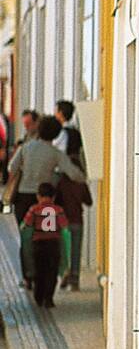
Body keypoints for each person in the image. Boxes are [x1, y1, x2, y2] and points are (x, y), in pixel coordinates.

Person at [7, 116, 85, 287]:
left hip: (23, 198)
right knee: (46, 237)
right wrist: (83, 176)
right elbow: (73, 174)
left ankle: (28, 277)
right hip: (45, 199)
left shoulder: (25, 148)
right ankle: (48, 273)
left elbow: (11, 167)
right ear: (56, 134)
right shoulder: (55, 154)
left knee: (25, 237)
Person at [21, 183, 69, 309]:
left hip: (38, 245)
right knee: (51, 272)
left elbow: (26, 224)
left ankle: (38, 297)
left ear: (38, 196)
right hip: (53, 244)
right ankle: (49, 299)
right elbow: (64, 226)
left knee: (39, 272)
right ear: (53, 197)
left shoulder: (34, 209)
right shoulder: (58, 210)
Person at [55, 174, 92, 291]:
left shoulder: (61, 183)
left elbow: (56, 202)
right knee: (76, 251)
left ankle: (65, 273)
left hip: (63, 221)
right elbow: (89, 202)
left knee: (64, 250)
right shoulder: (81, 183)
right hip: (77, 221)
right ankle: (74, 280)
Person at [53, 100, 84, 171]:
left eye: (56, 111)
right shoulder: (76, 132)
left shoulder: (60, 132)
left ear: (60, 113)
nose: (54, 114)